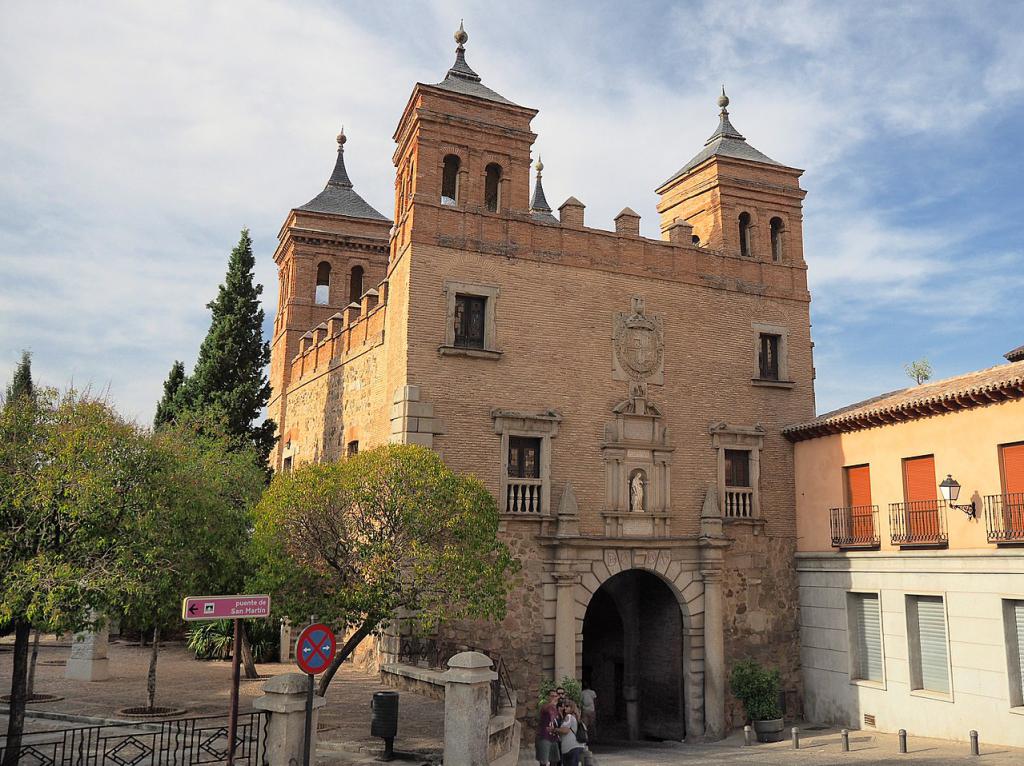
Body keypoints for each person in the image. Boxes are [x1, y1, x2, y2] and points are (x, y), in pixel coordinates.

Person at [554, 699, 585, 766]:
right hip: (577, 746)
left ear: (572, 707)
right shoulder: (577, 718)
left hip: (570, 748)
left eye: (567, 706)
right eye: (564, 706)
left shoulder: (569, 716)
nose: (565, 708)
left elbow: (565, 730)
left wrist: (554, 729)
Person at [535, 689, 561, 766]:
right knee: (544, 761)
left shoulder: (556, 709)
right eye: (552, 696)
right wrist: (552, 703)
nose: (554, 697)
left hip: (554, 738)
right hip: (544, 737)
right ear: (548, 697)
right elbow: (544, 709)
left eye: (555, 696)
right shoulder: (545, 706)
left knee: (554, 760)